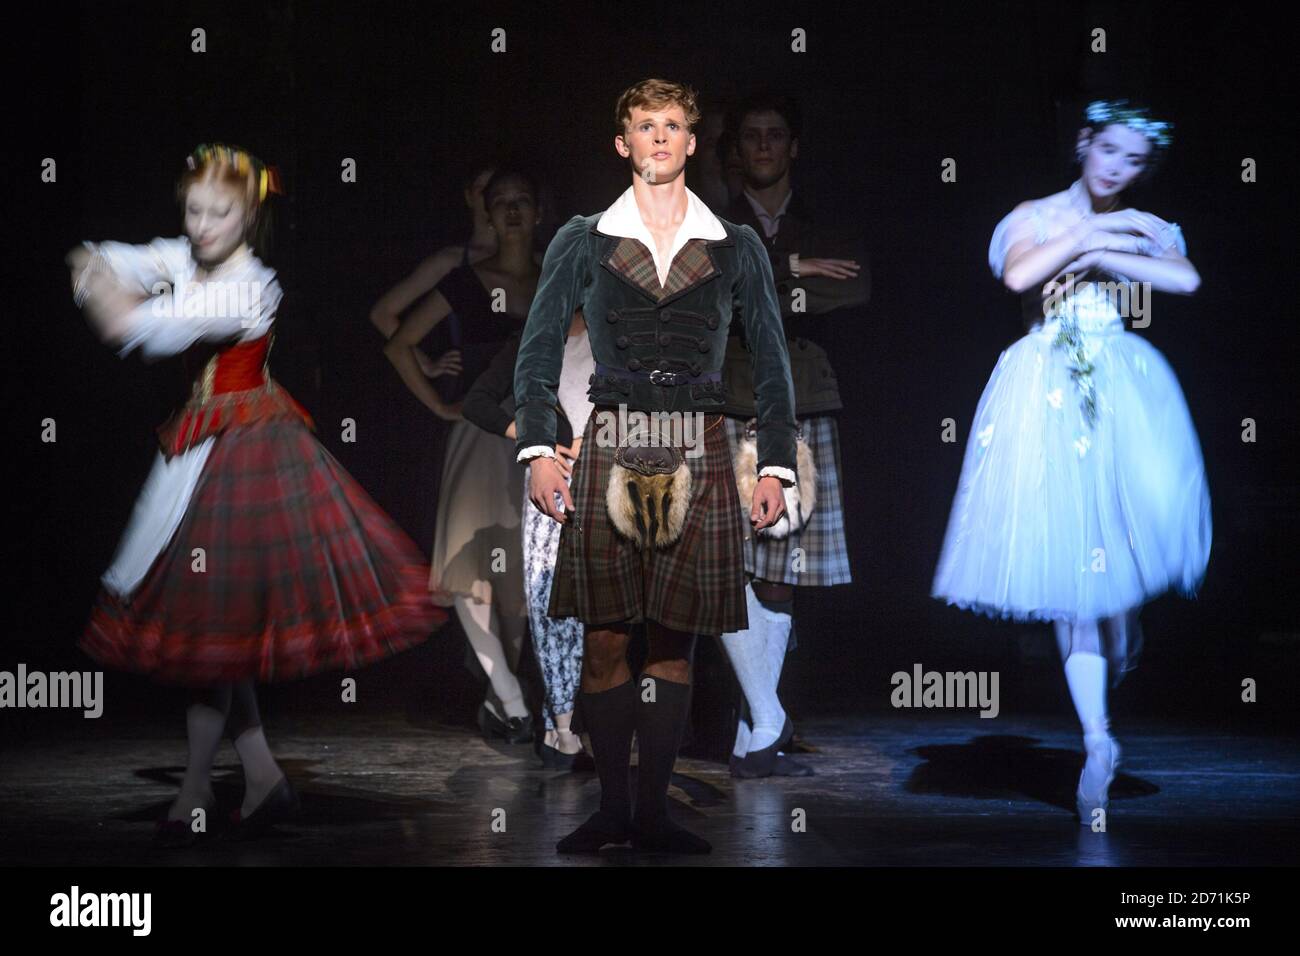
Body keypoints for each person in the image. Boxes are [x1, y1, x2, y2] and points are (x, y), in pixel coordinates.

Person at [70, 143, 446, 846]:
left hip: (248, 459)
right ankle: (263, 776)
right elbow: (129, 258)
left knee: (216, 638)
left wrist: (99, 285)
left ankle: (190, 795)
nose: (204, 225)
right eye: (194, 209)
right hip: (201, 453)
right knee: (223, 642)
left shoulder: (249, 285)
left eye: (222, 212)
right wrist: (97, 262)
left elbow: (146, 331)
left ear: (251, 215)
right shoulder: (189, 258)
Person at [514, 78, 800, 854]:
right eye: (645, 126)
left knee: (676, 642)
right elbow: (537, 351)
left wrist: (775, 466)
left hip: (699, 438)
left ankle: (655, 814)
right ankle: (612, 809)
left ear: (692, 141)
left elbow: (772, 362)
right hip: (612, 435)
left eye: (673, 125)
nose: (661, 138)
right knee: (607, 639)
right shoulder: (584, 238)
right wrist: (539, 449)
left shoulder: (733, 244)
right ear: (624, 143)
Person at [932, 100, 1212, 824]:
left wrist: (1096, 249)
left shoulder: (1143, 224)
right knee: (1074, 586)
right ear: (1085, 144)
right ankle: (1097, 740)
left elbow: (1183, 279)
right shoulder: (1032, 214)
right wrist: (1094, 231)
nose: (1117, 169)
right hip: (1044, 393)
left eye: (1133, 162)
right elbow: (1020, 276)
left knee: (1115, 592)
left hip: (1120, 389)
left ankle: (1123, 631)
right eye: (1108, 152)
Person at [718, 90, 868, 777]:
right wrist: (796, 269)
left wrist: (772, 285)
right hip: (727, 400)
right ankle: (765, 715)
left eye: (776, 134)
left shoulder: (824, 219)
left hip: (804, 402)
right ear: (738, 147)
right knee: (726, 564)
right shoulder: (715, 221)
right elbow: (709, 292)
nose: (764, 146)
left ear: (793, 146)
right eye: (752, 135)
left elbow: (855, 292)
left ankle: (759, 719)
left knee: (781, 570)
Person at [384, 166, 543, 743]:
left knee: (522, 574)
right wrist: (441, 406)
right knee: (472, 566)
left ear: (540, 210)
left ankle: (503, 697)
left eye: (523, 199)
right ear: (488, 212)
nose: (513, 211)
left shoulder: (560, 279)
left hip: (543, 440)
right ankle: (509, 694)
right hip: (480, 437)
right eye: (502, 202)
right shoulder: (467, 282)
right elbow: (397, 339)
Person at [460, 317, 593, 768]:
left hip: (615, 478)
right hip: (553, 483)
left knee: (608, 615)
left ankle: (593, 725)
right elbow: (477, 402)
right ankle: (561, 728)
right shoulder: (536, 336)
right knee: (552, 605)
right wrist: (534, 438)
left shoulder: (622, 330)